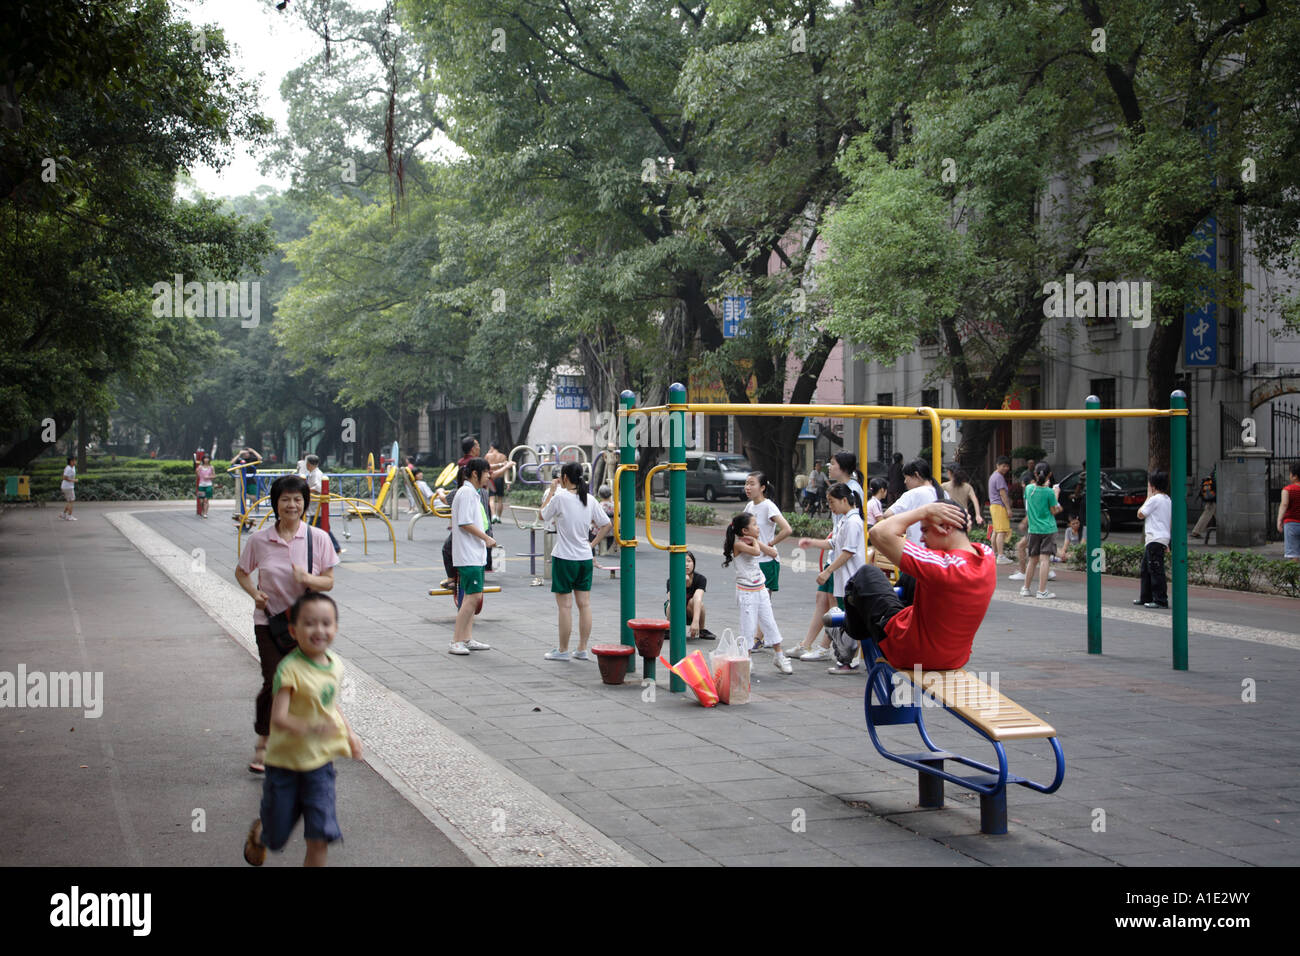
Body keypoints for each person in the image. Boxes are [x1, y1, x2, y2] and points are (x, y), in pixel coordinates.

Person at [242, 592, 362, 867]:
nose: (318, 630)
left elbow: (329, 706)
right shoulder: (289, 669)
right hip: (285, 765)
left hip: (320, 765)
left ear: (336, 628)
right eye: (309, 624)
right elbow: (279, 717)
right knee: (277, 833)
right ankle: (261, 834)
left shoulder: (335, 666)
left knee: (320, 835)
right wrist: (310, 728)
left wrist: (350, 734)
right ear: (294, 631)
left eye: (326, 623)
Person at [235, 474, 338, 774]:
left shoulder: (317, 539)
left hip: (306, 627)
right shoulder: (259, 540)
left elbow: (329, 582)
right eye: (285, 499)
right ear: (275, 503)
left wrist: (307, 579)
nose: (291, 505)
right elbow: (241, 572)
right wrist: (255, 593)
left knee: (305, 684)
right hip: (268, 622)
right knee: (275, 680)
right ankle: (264, 743)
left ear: (305, 503)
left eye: (297, 499)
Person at [843, 498, 996, 672]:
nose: (922, 539)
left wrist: (923, 511)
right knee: (911, 576)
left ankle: (848, 634)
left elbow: (879, 533)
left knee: (866, 575)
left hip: (912, 654)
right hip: (955, 657)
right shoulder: (987, 556)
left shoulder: (941, 567)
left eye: (925, 531)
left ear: (946, 528)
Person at [540, 462, 611, 661]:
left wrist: (552, 491)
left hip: (564, 557)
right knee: (584, 604)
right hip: (584, 558)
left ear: (564, 478)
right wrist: (591, 544)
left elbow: (542, 515)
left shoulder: (560, 498)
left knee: (565, 606)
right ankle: (581, 648)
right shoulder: (589, 498)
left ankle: (562, 650)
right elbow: (607, 524)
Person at [722, 512, 792, 674]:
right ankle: (747, 658)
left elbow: (773, 554)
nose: (758, 527)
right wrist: (756, 542)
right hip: (746, 592)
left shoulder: (754, 541)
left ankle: (779, 655)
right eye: (754, 525)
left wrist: (757, 541)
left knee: (769, 621)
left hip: (760, 589)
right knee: (748, 625)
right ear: (745, 531)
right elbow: (755, 553)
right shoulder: (738, 544)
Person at [818, 483, 868, 674]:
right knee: (847, 620)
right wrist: (812, 543)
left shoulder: (854, 522)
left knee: (850, 622)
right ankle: (846, 659)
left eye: (832, 502)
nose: (830, 506)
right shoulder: (845, 520)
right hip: (845, 581)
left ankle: (848, 660)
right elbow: (834, 543)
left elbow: (847, 552)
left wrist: (827, 571)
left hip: (850, 579)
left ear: (844, 500)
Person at [449, 457, 497, 656]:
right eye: (486, 472)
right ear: (476, 474)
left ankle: (466, 638)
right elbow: (465, 523)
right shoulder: (467, 493)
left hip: (472, 554)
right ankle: (456, 640)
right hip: (469, 555)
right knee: (473, 598)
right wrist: (486, 538)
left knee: (471, 596)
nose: (489, 476)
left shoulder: (471, 493)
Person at [743, 471, 792, 650]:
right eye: (746, 483)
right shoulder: (749, 507)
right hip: (754, 559)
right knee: (752, 599)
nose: (748, 487)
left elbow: (787, 529)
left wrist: (770, 543)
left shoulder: (768, 506)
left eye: (752, 483)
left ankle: (759, 637)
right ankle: (758, 636)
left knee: (763, 601)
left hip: (768, 561)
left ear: (762, 487)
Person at [1020, 462, 1062, 599]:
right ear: (1049, 475)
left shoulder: (1029, 489)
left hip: (1033, 529)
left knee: (1032, 560)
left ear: (1035, 474)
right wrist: (1056, 493)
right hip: (1048, 529)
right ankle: (1042, 591)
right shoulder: (1050, 492)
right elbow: (1054, 510)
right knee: (1044, 560)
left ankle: (1025, 588)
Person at [1135, 470, 1172, 608]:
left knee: (1155, 570)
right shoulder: (1168, 499)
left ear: (1153, 485)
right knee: (1146, 569)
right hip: (1160, 538)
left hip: (1154, 539)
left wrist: (1148, 497)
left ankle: (1160, 600)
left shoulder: (1155, 499)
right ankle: (1145, 597)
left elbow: (1140, 514)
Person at [665, 551, 712, 639]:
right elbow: (672, 599)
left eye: (689, 561)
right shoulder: (672, 580)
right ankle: (668, 629)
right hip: (676, 611)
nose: (686, 564)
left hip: (692, 611)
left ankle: (701, 630)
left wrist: (695, 621)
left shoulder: (701, 579)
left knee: (699, 604)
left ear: (694, 563)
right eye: (683, 562)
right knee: (670, 604)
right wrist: (683, 583)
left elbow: (698, 598)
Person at [303, 455, 343, 555]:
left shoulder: (317, 474)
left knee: (311, 529)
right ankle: (335, 547)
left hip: (319, 508)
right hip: (316, 508)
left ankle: (311, 549)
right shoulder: (313, 473)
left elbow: (318, 487)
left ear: (308, 464)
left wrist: (306, 489)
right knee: (324, 529)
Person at [987, 456, 1013, 562]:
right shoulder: (999, 477)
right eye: (1004, 466)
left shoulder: (993, 476)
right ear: (997, 465)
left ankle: (995, 554)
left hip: (994, 506)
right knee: (1001, 532)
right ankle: (1001, 556)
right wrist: (1008, 509)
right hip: (999, 506)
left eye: (1007, 466)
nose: (1006, 468)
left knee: (996, 531)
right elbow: (1002, 494)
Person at [1277, 461, 1300, 561]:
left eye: (1290, 474)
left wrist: (1279, 520)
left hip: (1291, 524)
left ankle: (1295, 576)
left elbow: (1284, 505)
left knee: (1293, 553)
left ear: (1295, 476)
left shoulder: (1288, 489)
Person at [485, 442, 509, 523]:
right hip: (500, 478)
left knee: (491, 498)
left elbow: (484, 465)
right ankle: (498, 517)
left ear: (492, 447)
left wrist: (488, 453)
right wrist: (507, 482)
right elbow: (506, 469)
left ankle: (493, 515)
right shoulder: (503, 456)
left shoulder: (488, 456)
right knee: (500, 499)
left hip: (491, 478)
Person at [1191, 468, 1216, 538]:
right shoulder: (1217, 473)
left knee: (1209, 514)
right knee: (1207, 514)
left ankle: (1196, 531)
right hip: (1214, 499)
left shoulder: (1213, 473)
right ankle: (1196, 531)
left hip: (1212, 499)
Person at [196, 454, 216, 519]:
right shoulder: (200, 467)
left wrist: (209, 477)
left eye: (207, 458)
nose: (206, 460)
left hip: (208, 485)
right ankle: (203, 510)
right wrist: (197, 471)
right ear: (203, 459)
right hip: (201, 485)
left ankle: (205, 513)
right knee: (201, 501)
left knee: (206, 500)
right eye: (205, 458)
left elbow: (214, 476)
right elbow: (197, 474)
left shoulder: (211, 467)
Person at [59, 456, 77, 521]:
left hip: (68, 486)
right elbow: (64, 477)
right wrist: (73, 480)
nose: (75, 462)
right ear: (71, 461)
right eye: (74, 460)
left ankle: (63, 514)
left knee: (70, 501)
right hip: (67, 487)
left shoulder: (73, 467)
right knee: (71, 501)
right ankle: (69, 516)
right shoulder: (68, 468)